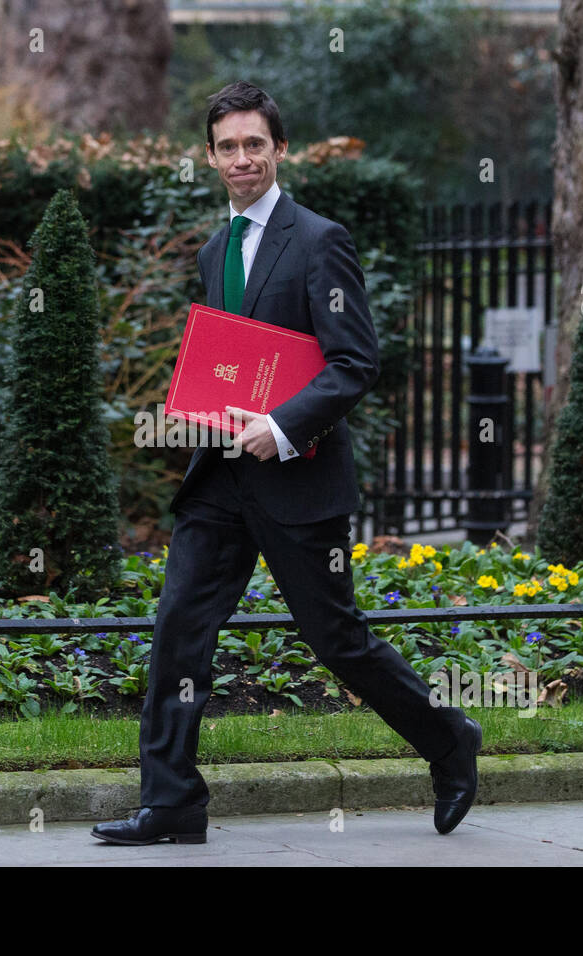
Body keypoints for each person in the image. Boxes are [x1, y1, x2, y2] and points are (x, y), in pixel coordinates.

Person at [92, 81, 481, 846]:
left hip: (298, 479)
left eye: (254, 144)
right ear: (209, 156)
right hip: (220, 481)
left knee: (336, 639)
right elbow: (234, 362)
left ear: (279, 150)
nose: (242, 158)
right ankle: (171, 802)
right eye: (228, 146)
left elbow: (354, 362)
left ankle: (448, 740)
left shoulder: (318, 239)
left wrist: (281, 425)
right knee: (178, 630)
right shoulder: (213, 251)